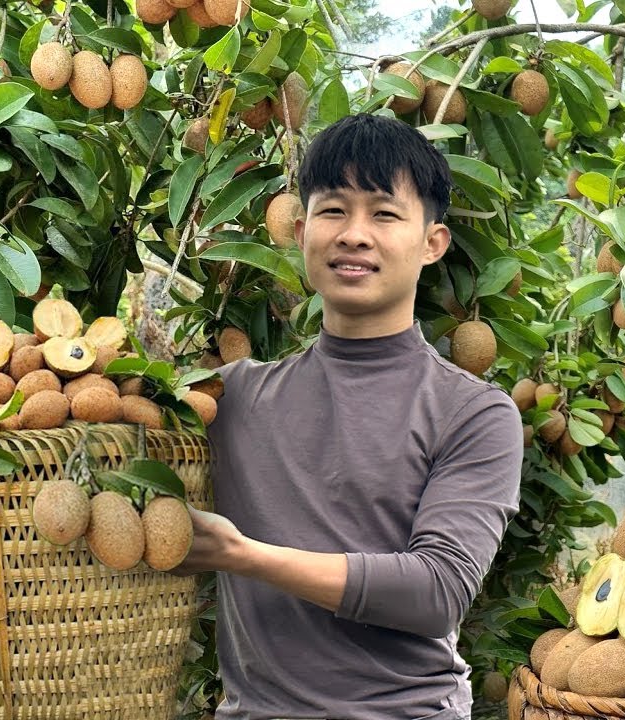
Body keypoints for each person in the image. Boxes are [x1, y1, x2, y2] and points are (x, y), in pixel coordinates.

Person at [172, 114, 524, 720]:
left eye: (384, 215)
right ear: (302, 230)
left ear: (432, 242)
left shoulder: (475, 413)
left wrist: (243, 555)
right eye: (334, 211)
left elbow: (437, 591)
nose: (354, 234)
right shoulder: (229, 399)